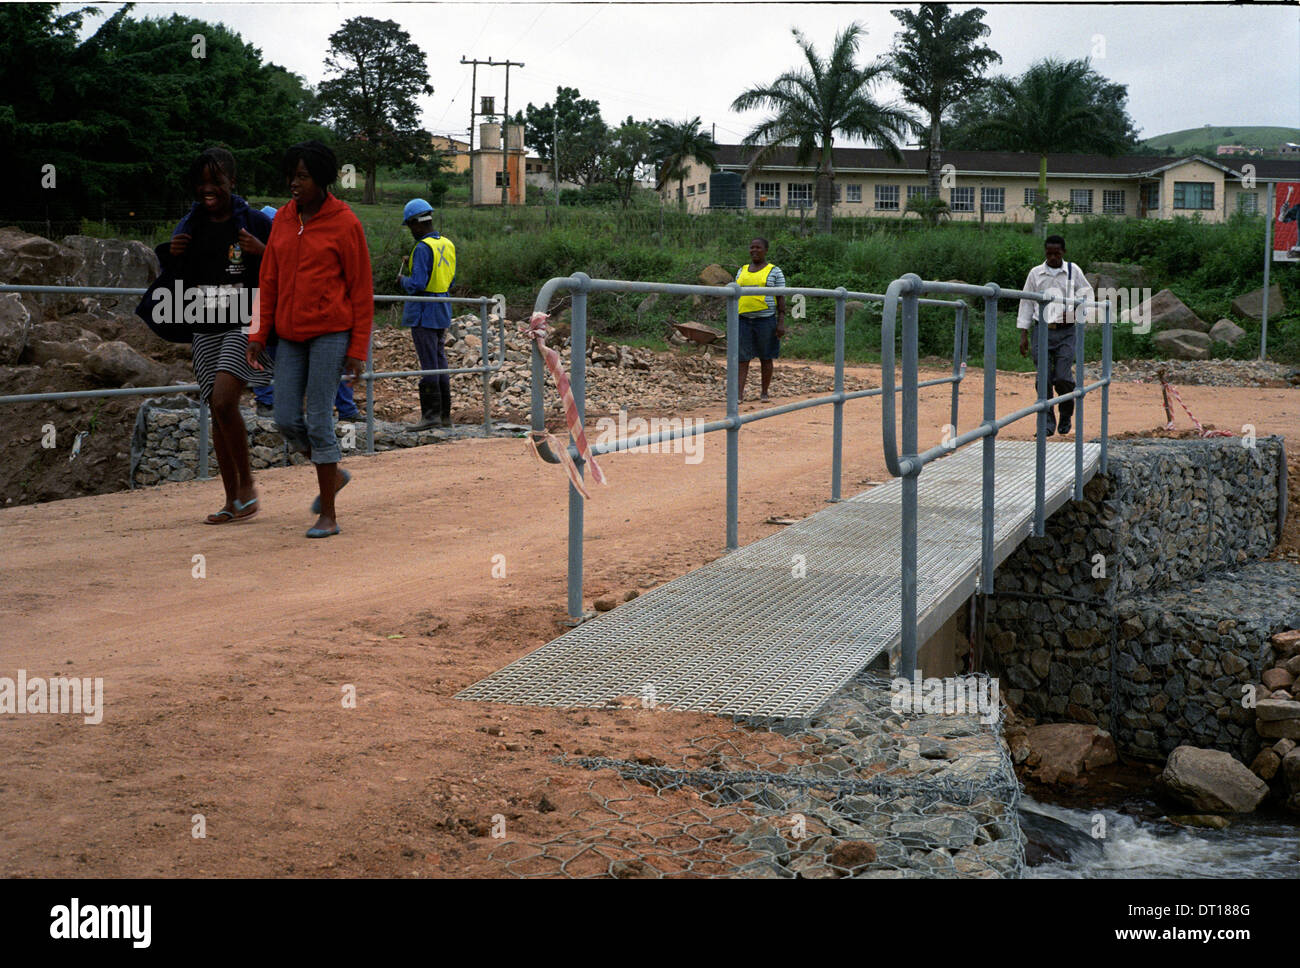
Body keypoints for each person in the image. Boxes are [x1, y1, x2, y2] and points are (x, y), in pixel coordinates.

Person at [246, 141, 373, 538]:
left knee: (319, 418)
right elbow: (268, 280)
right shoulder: (283, 219)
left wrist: (357, 349)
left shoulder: (345, 222)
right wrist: (257, 332)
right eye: (291, 175)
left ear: (321, 179)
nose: (294, 183)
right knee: (284, 416)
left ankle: (329, 516)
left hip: (330, 333)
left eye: (302, 176)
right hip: (289, 335)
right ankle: (332, 475)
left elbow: (361, 290)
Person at [163, 147, 273, 525]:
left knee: (226, 399)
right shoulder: (189, 225)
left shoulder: (255, 222)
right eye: (202, 183)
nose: (208, 189)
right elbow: (180, 277)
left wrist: (262, 251)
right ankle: (232, 500)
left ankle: (248, 487)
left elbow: (286, 263)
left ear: (232, 183)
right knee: (216, 407)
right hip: (204, 319)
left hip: (247, 320)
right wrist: (173, 254)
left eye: (217, 182)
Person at [252, 206, 361, 421]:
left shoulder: (288, 244)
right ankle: (269, 403)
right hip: (276, 318)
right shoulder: (269, 246)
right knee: (267, 360)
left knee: (325, 365)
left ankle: (344, 410)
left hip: (295, 320)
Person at [1017, 234, 1094, 436]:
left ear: (1063, 252)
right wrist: (1023, 334)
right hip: (1041, 330)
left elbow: (1087, 294)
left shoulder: (1072, 271)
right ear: (1045, 252)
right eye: (1049, 253)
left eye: (1056, 253)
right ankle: (1047, 423)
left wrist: (1076, 312)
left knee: (1062, 376)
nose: (1052, 257)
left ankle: (1066, 412)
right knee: (1043, 378)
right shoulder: (1036, 274)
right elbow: (1026, 303)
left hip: (1066, 332)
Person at [397, 198, 456, 429]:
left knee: (429, 363)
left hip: (424, 309)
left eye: (411, 226)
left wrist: (403, 280)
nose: (411, 231)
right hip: (442, 306)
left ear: (416, 223)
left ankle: (430, 416)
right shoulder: (447, 244)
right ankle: (444, 416)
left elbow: (419, 283)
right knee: (439, 360)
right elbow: (445, 276)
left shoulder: (422, 248)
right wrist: (413, 262)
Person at [734, 237, 786, 402]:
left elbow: (781, 297)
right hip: (743, 320)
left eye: (758, 247)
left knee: (766, 356)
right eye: (752, 247)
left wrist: (781, 322)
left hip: (765, 320)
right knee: (742, 358)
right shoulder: (742, 270)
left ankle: (764, 392)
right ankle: (739, 395)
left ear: (766, 250)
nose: (754, 250)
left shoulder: (774, 271)